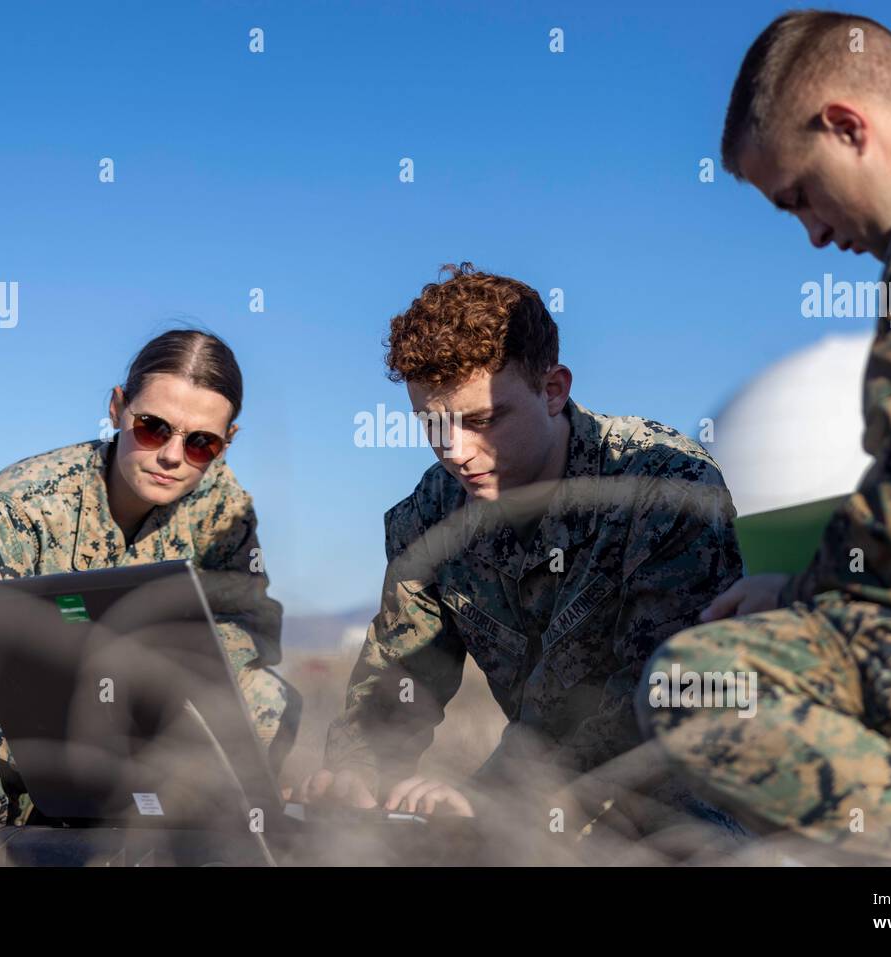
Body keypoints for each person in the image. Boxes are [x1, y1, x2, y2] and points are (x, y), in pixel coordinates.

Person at [639, 10, 891, 864]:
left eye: (799, 197)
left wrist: (800, 588)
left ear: (846, 125)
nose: (816, 236)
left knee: (701, 677)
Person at [298, 263, 744, 843]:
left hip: (681, 809)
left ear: (553, 390)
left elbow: (654, 698)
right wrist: (358, 772)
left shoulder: (660, 488)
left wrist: (497, 797)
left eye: (482, 420)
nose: (454, 451)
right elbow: (401, 673)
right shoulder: (431, 516)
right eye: (432, 424)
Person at [0, 329, 298, 864]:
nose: (174, 456)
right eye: (152, 428)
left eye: (202, 442)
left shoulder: (220, 506)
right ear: (117, 408)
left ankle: (182, 850)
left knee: (266, 699)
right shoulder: (19, 505)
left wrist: (166, 688)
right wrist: (79, 733)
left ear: (227, 440)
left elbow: (252, 624)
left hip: (132, 745)